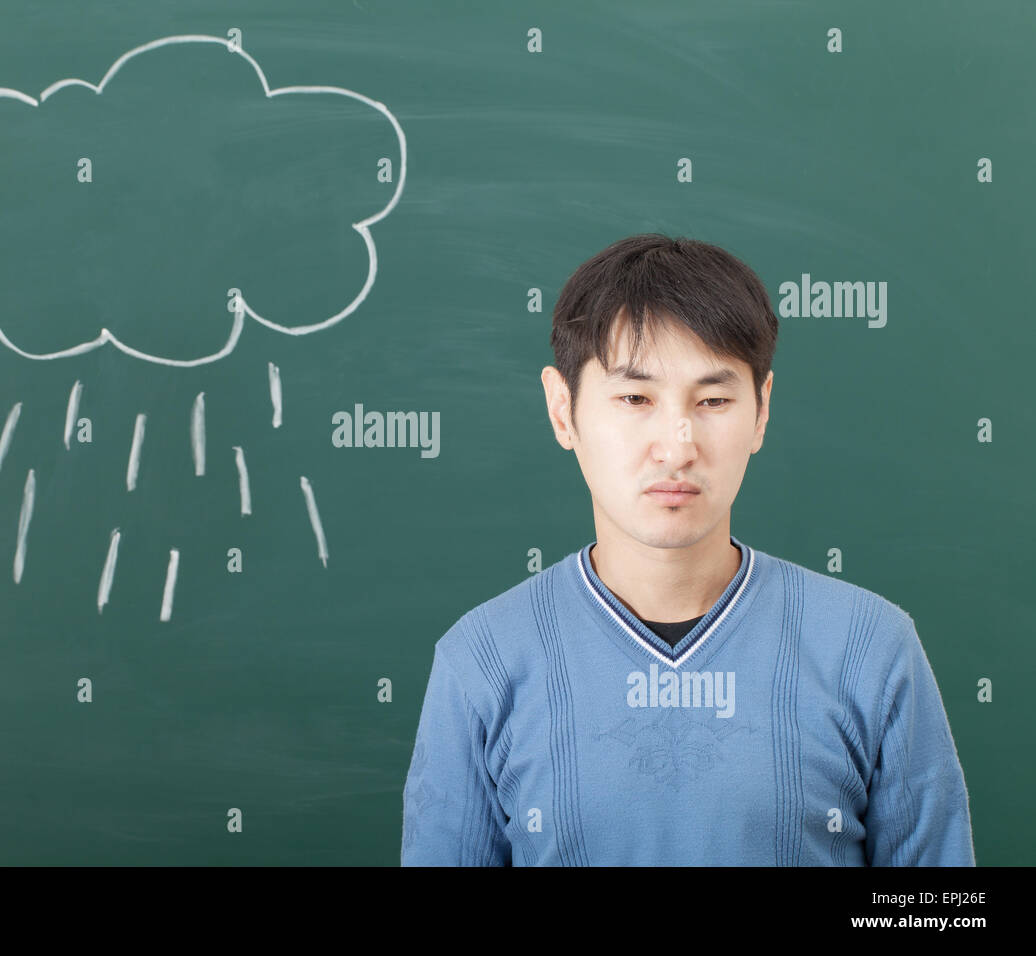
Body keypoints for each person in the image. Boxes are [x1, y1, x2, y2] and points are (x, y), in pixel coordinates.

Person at [401, 234, 974, 866]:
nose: (676, 446)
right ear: (563, 411)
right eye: (635, 398)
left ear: (760, 412)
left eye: (713, 401)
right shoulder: (480, 661)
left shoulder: (870, 647)